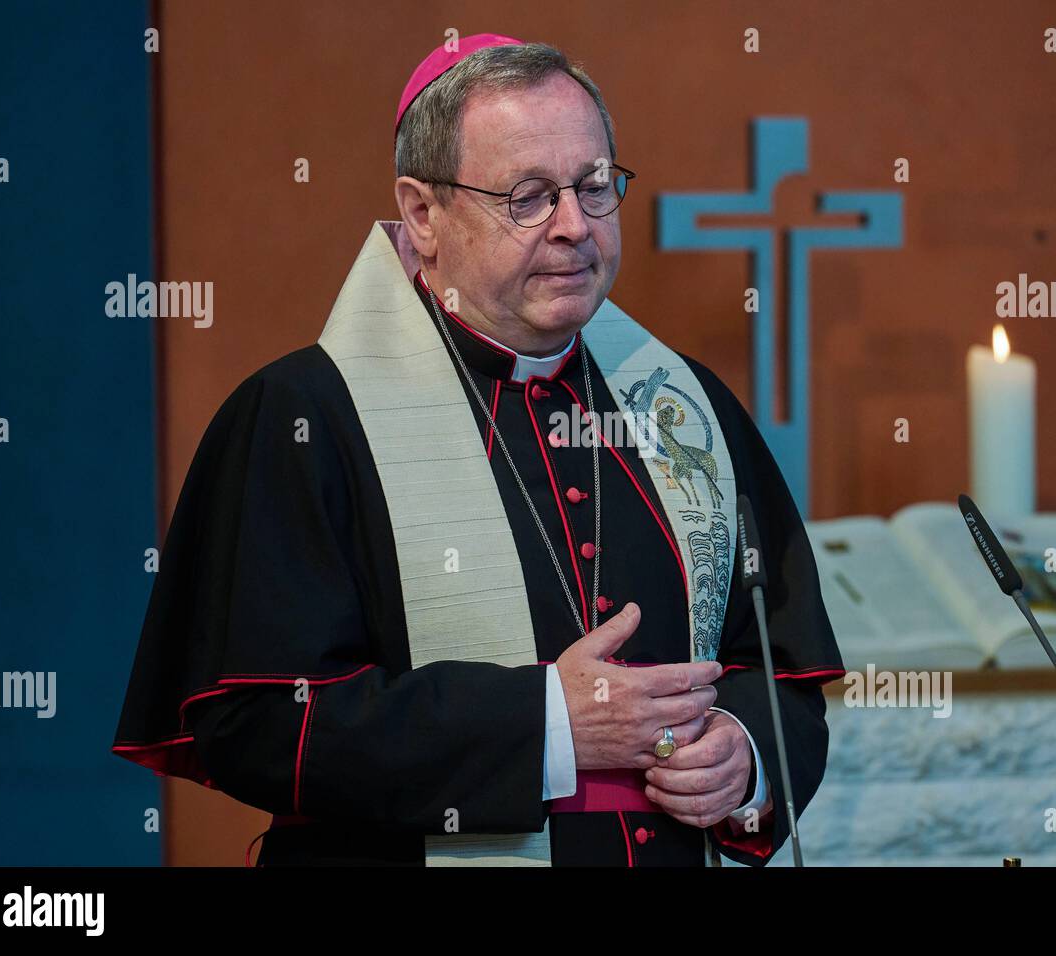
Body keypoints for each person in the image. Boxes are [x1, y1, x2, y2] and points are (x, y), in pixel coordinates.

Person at [112, 33, 844, 867]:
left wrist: (745, 761)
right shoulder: (303, 417)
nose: (574, 227)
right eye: (528, 197)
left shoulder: (687, 409)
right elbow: (259, 722)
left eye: (594, 187)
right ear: (423, 215)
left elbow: (779, 671)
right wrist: (548, 725)